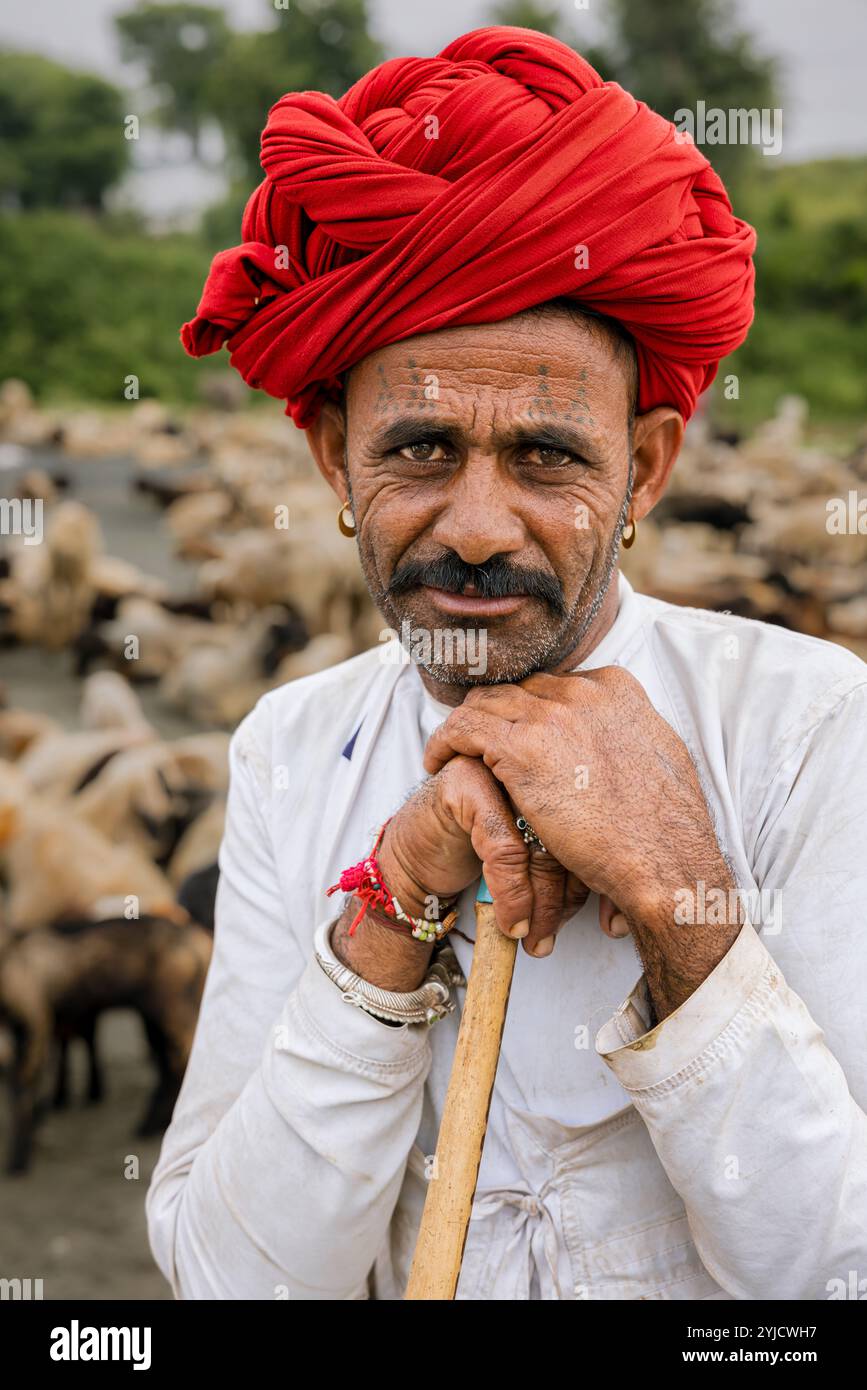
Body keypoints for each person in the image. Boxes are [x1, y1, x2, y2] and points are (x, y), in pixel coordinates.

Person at [146, 27, 867, 1300]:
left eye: (546, 457)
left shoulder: (811, 729)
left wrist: (679, 888)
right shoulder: (291, 749)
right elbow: (231, 1281)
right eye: (420, 449)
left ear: (644, 469)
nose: (478, 529)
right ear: (334, 462)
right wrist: (394, 899)